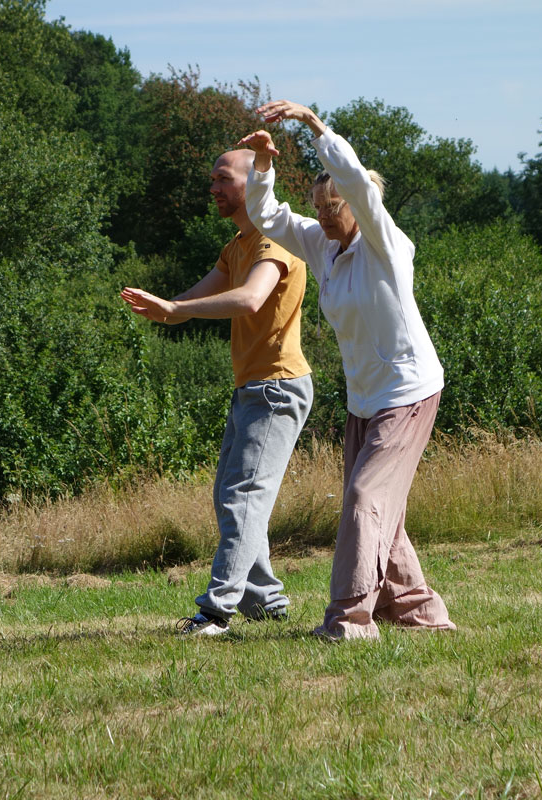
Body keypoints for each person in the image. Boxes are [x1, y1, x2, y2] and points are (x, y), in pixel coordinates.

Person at [239, 100, 455, 641]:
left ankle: (351, 620)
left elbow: (356, 181)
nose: (324, 215)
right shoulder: (322, 245)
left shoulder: (386, 244)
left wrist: (314, 127)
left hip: (407, 393)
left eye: (332, 206)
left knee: (364, 501)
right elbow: (270, 217)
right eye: (318, 206)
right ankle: (420, 614)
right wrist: (264, 167)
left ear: (358, 205)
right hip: (365, 400)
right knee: (383, 513)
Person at [121, 149, 313, 635]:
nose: (213, 189)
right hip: (253, 387)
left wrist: (172, 307)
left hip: (277, 388)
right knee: (233, 495)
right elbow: (190, 301)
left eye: (222, 180)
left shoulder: (275, 240)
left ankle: (215, 612)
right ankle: (265, 601)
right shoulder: (237, 245)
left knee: (243, 496)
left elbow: (250, 299)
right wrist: (165, 308)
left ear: (254, 183)